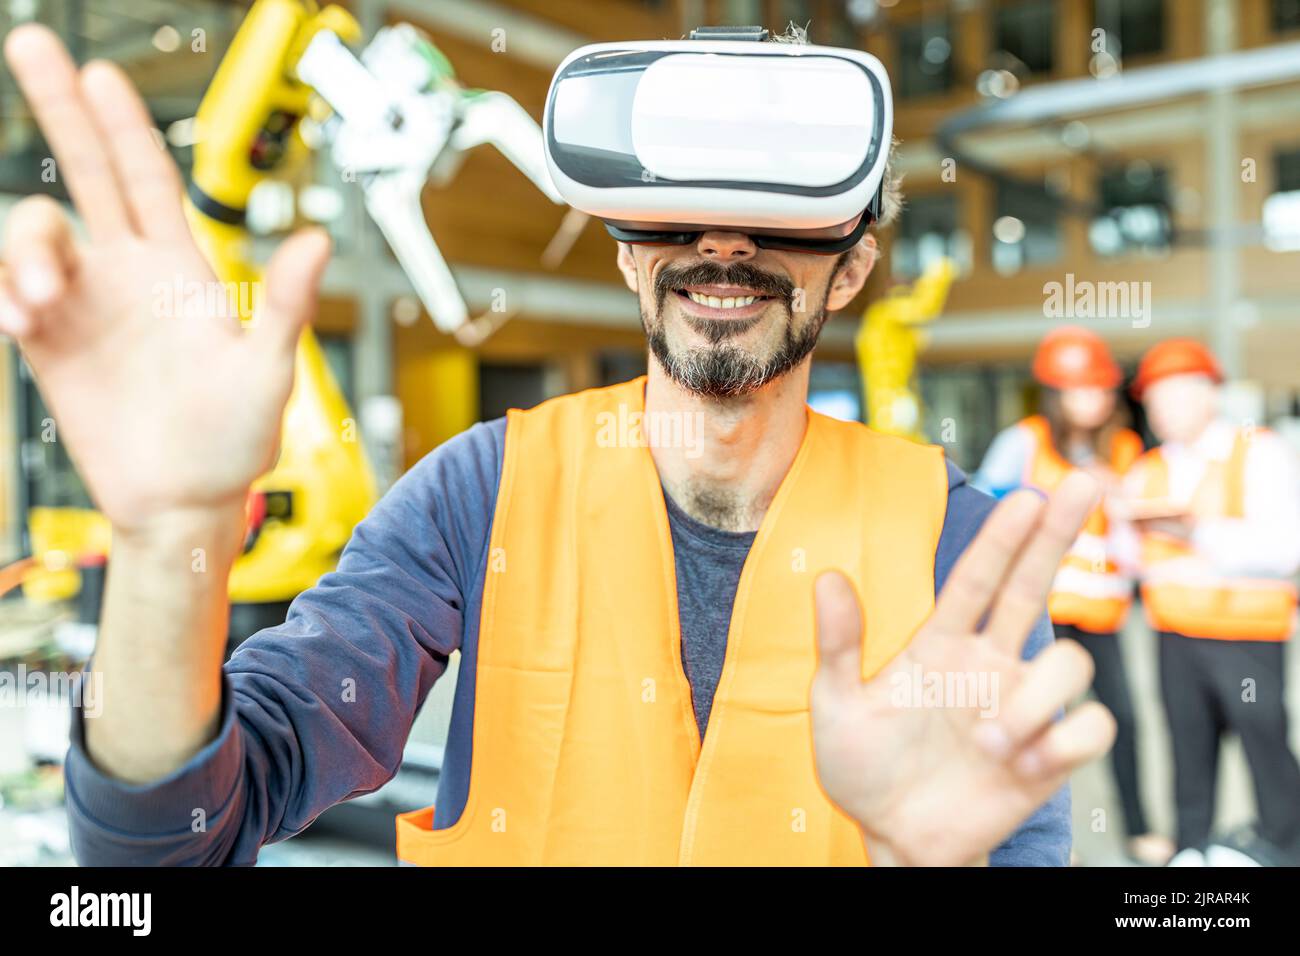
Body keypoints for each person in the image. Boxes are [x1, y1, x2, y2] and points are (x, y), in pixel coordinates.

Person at [0, 24, 1114, 866]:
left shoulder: (952, 534)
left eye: (776, 213)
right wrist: (168, 542)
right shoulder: (477, 496)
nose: (722, 239)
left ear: (855, 266)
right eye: (676, 210)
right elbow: (173, 842)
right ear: (629, 254)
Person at [974, 326, 1172, 865]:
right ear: (1059, 393)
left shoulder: (1127, 448)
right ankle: (1034, 843)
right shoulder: (1024, 441)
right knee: (1034, 726)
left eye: (1103, 390)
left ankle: (1141, 828)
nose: (1097, 400)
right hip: (1042, 613)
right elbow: (987, 510)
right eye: (1084, 389)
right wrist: (1050, 496)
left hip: (1104, 613)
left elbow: (1140, 532)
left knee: (1124, 722)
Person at [1115, 338, 1300, 866]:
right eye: (1153, 400)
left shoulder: (1258, 452)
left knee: (1265, 744)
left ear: (1209, 394)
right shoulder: (1149, 468)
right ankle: (1191, 849)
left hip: (1247, 637)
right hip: (1175, 635)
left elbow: (1285, 549)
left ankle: (1284, 844)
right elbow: (1133, 557)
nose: (1161, 410)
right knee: (1186, 748)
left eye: (1172, 396)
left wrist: (1196, 533)